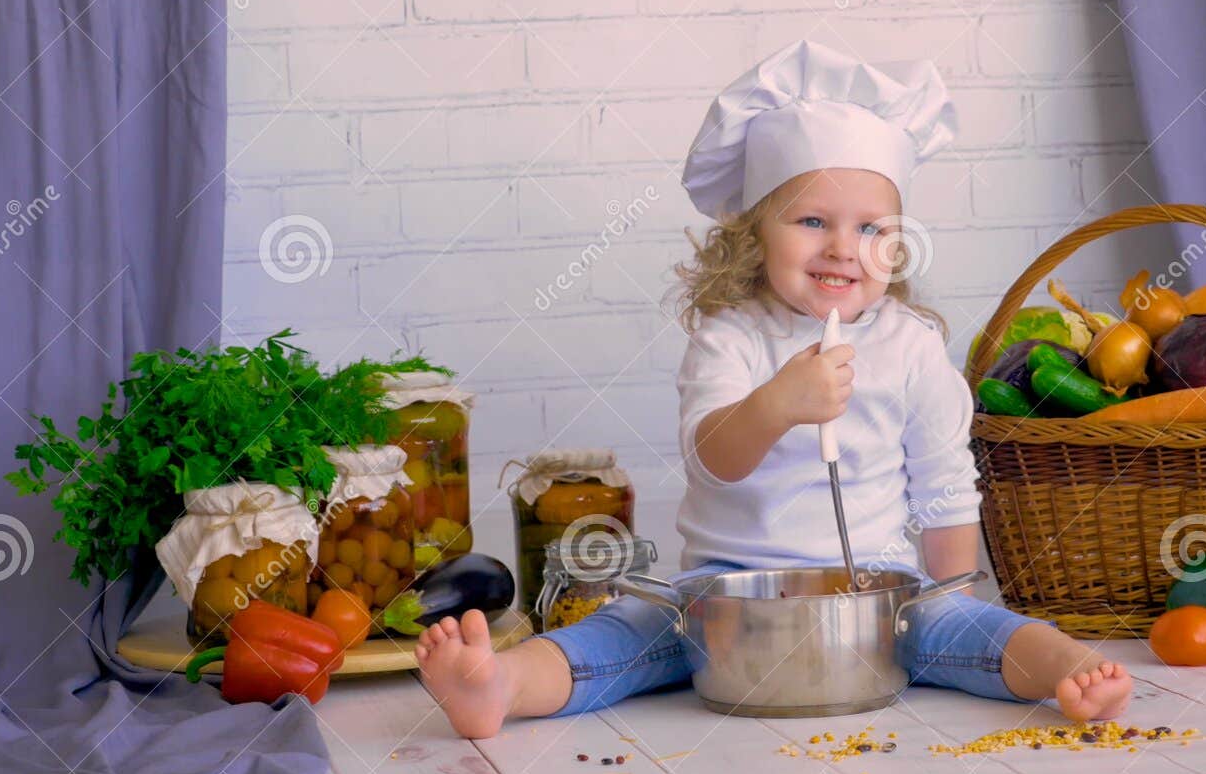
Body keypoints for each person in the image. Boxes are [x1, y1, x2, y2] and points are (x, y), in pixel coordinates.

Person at [417, 40, 1131, 738]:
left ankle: (1066, 668)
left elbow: (944, 487)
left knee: (979, 629)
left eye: (870, 227)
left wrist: (953, 598)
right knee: (626, 630)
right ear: (755, 234)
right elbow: (713, 459)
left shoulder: (911, 346)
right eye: (812, 221)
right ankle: (503, 685)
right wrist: (776, 405)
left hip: (876, 597)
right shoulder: (730, 337)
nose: (842, 247)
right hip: (725, 598)